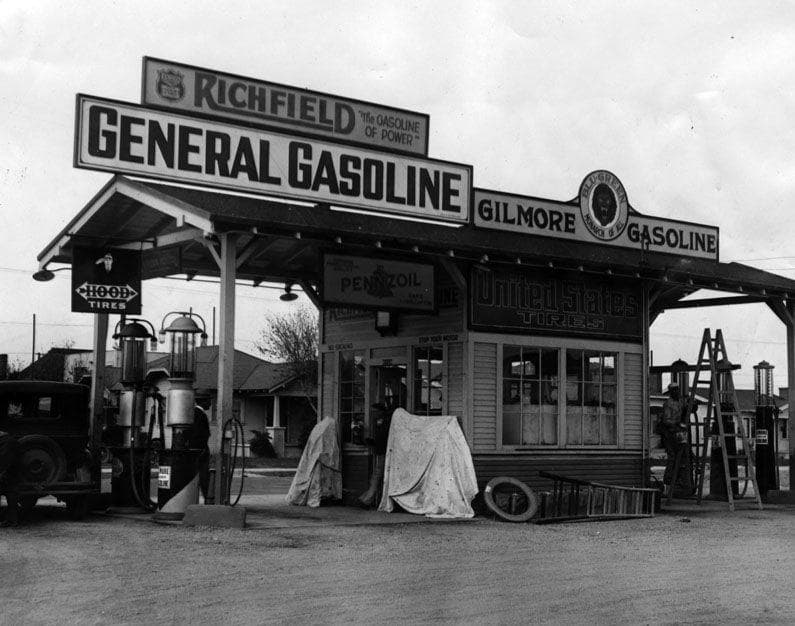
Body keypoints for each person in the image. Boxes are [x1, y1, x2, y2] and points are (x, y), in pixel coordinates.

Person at [358, 403, 392, 508]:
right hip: (381, 451)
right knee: (377, 476)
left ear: (380, 412)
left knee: (377, 475)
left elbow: (382, 439)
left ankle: (368, 499)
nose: (374, 414)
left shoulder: (384, 422)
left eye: (375, 412)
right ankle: (368, 498)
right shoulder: (381, 422)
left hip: (383, 452)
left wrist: (374, 443)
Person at [659, 382, 690, 496]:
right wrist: (677, 424)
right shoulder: (668, 404)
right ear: (671, 392)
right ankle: (668, 482)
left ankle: (680, 480)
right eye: (674, 390)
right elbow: (666, 421)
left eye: (677, 389)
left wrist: (692, 404)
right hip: (669, 433)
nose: (677, 392)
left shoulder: (681, 402)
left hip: (678, 432)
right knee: (672, 457)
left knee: (684, 456)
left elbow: (687, 408)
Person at [188, 406, 211, 501]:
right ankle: (208, 499)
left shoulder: (194, 412)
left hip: (195, 450)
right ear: (204, 400)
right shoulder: (199, 414)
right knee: (203, 476)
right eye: (208, 399)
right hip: (200, 450)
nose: (209, 403)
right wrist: (202, 449)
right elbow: (200, 433)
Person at [0, 431, 20, 527]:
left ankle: (11, 520)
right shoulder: (9, 440)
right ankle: (12, 520)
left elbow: (4, 459)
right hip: (11, 471)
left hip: (7, 471)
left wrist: (2, 472)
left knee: (11, 495)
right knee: (12, 495)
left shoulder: (6, 442)